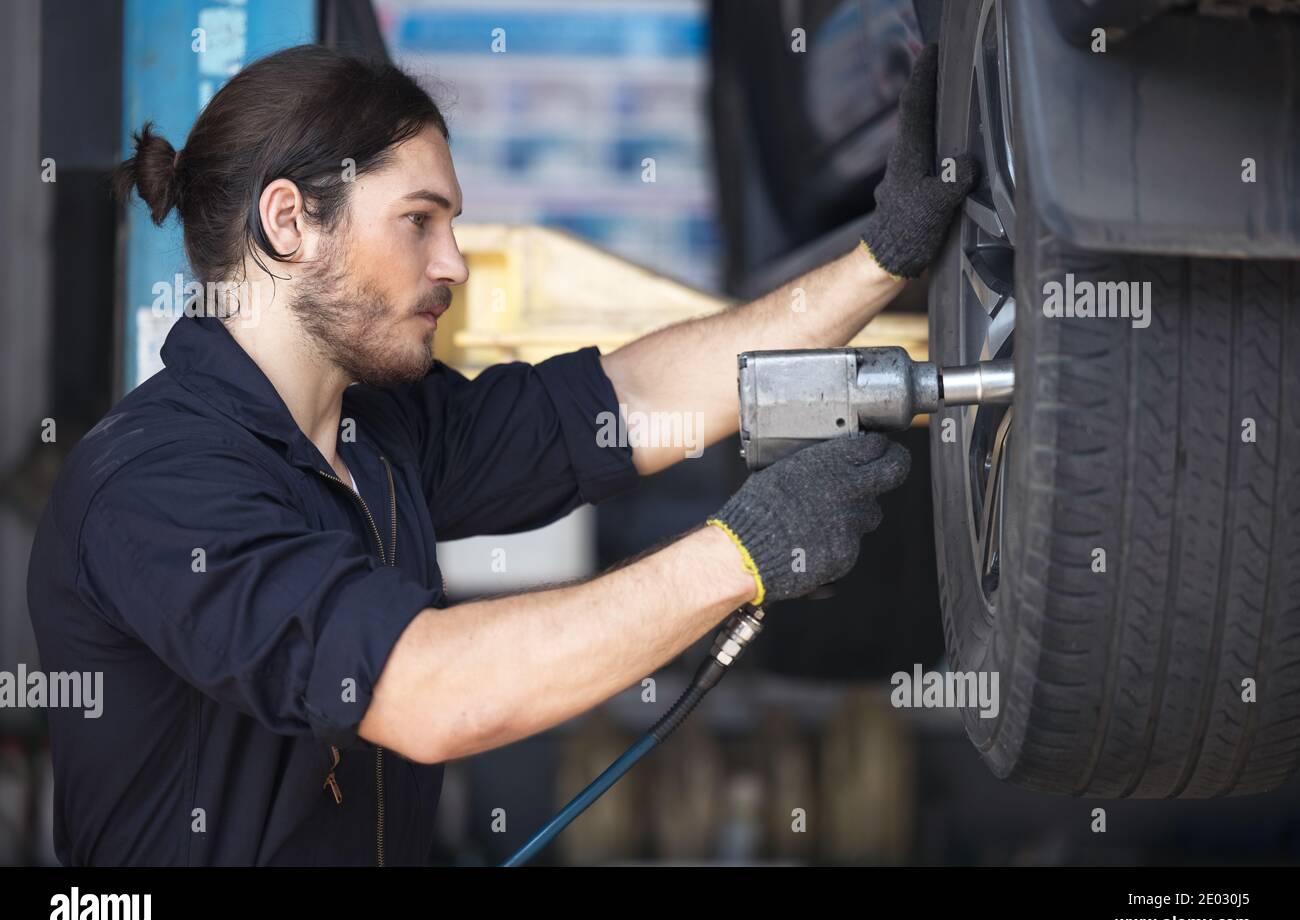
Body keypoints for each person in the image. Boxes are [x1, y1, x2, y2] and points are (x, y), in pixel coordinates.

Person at [27, 43, 975, 864]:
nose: (454, 263)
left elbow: (628, 403)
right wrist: (740, 554)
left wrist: (881, 261)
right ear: (289, 223)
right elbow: (423, 689)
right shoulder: (155, 486)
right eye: (419, 220)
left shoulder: (380, 427)